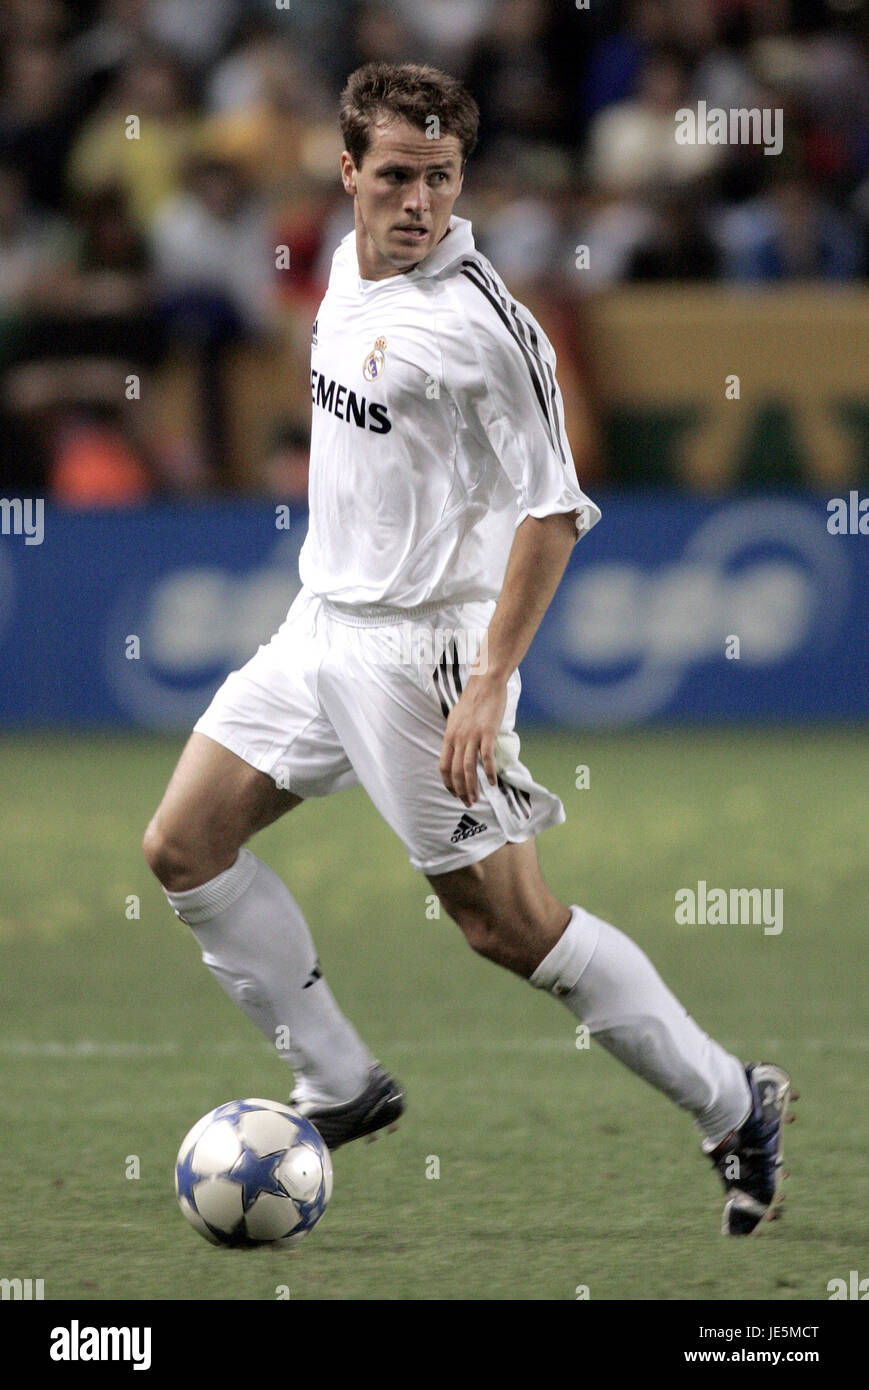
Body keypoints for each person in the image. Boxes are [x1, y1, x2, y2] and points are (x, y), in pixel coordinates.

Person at [144, 61, 793, 1236]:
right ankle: (340, 1081)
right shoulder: (341, 265)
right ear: (346, 172)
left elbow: (552, 508)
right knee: (183, 845)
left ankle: (730, 1099)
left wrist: (486, 680)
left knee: (508, 927)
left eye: (439, 179)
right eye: (395, 176)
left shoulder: (487, 325)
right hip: (317, 627)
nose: (418, 203)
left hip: (420, 655)